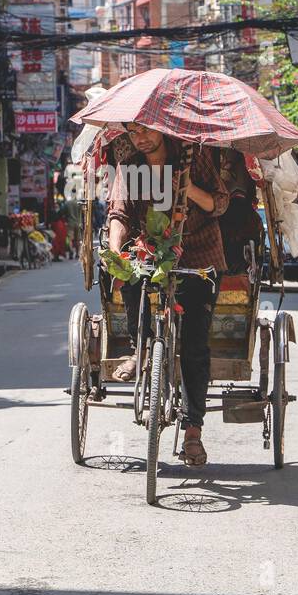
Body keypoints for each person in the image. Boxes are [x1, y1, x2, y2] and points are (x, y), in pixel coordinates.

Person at [107, 122, 228, 467]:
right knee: (130, 281)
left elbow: (218, 205)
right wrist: (117, 251)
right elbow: (119, 213)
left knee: (193, 343)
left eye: (146, 130)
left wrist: (186, 189)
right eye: (132, 133)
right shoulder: (130, 167)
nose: (140, 138)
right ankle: (140, 349)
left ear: (161, 128)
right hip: (151, 252)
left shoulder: (193, 156)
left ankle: (193, 431)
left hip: (199, 256)